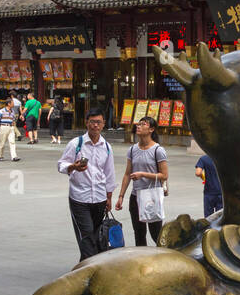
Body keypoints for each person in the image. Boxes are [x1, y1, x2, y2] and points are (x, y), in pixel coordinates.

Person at [58, 108, 116, 261]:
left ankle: (90, 265)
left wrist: (109, 197)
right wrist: (73, 167)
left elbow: (109, 174)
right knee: (86, 233)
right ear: (86, 123)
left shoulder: (107, 147)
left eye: (98, 122)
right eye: (92, 122)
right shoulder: (76, 144)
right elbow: (61, 164)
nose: (95, 126)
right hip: (79, 198)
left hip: (99, 198)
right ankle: (88, 268)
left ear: (103, 124)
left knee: (96, 235)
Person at [116, 115, 168, 246]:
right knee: (139, 235)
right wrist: (121, 196)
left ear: (151, 129)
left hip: (152, 197)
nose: (138, 126)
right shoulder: (132, 149)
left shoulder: (158, 150)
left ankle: (162, 262)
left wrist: (143, 174)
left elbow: (164, 175)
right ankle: (143, 263)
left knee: (156, 234)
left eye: (143, 124)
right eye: (138, 124)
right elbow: (127, 174)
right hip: (136, 197)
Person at [195, 151, 223, 218]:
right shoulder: (225, 158)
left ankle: (209, 228)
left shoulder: (204, 158)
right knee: (220, 217)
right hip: (222, 192)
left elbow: (198, 173)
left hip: (209, 192)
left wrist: (204, 178)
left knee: (208, 217)